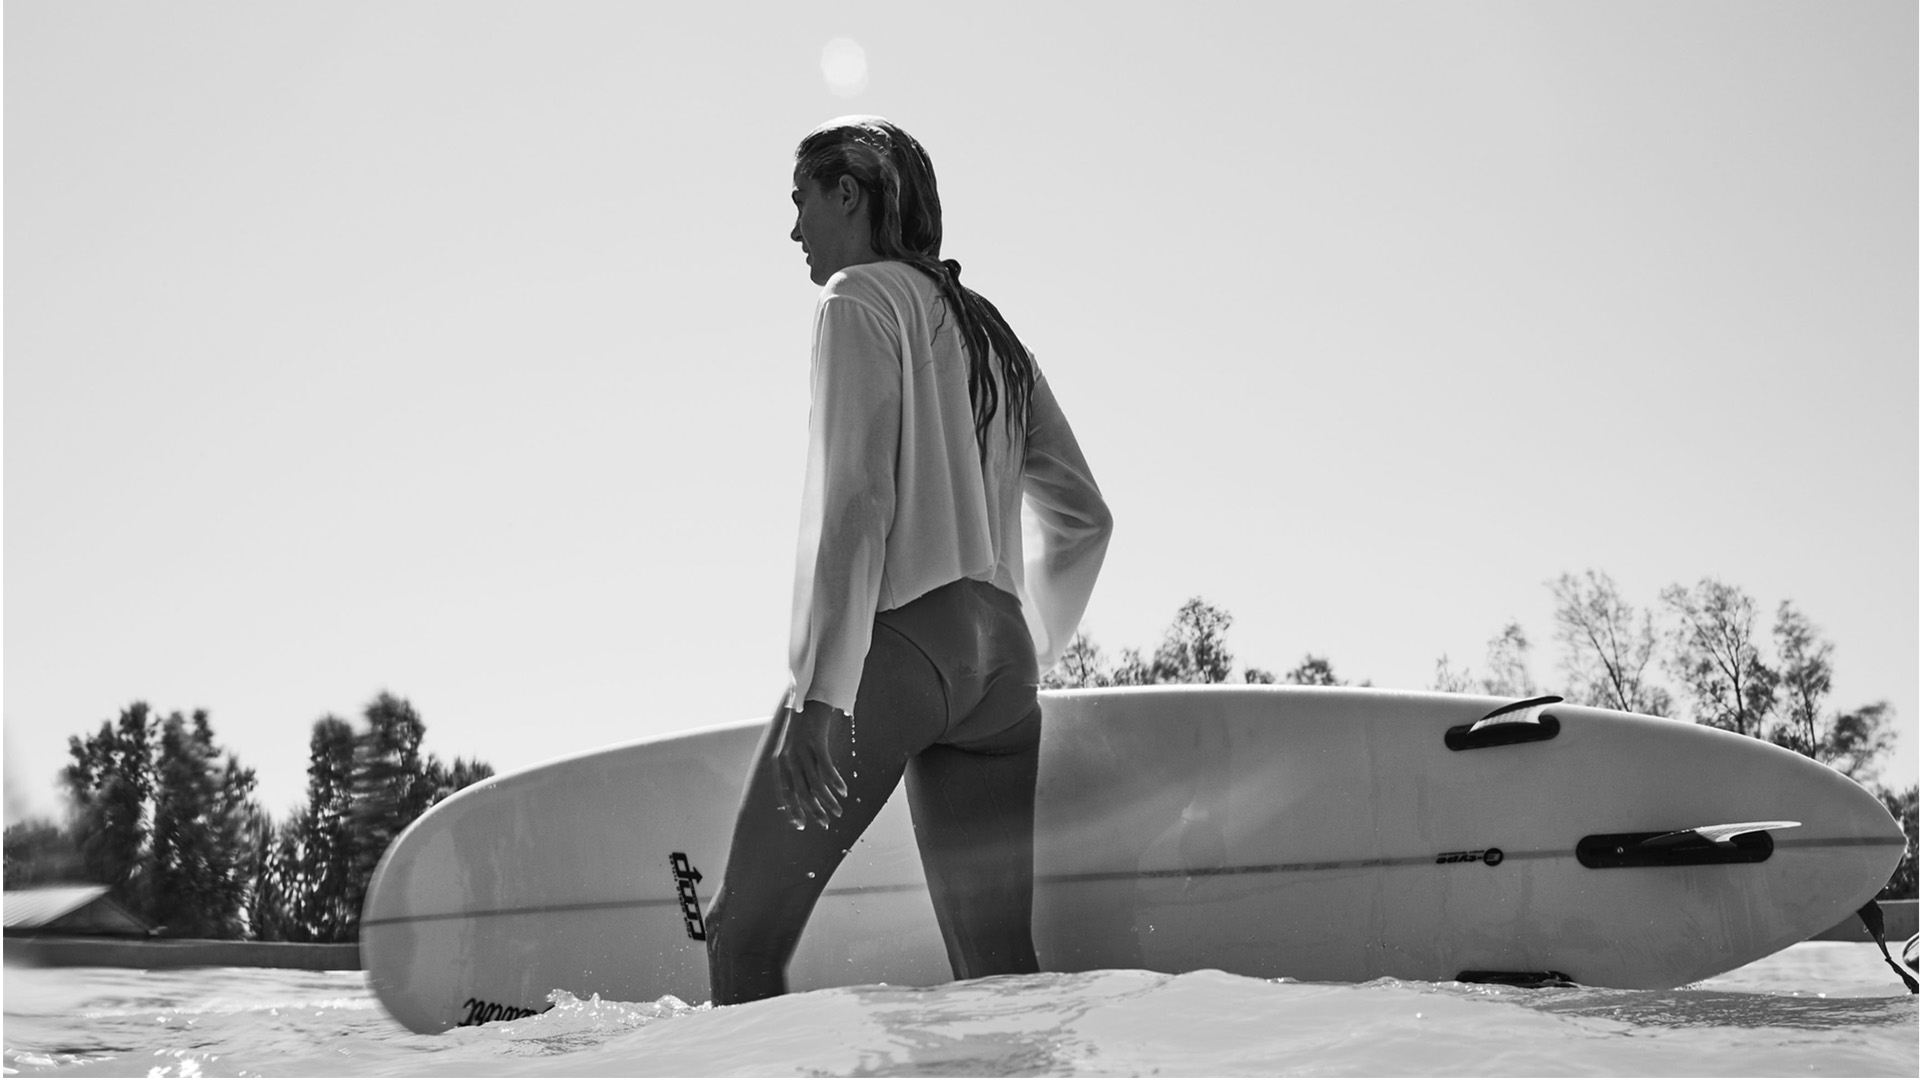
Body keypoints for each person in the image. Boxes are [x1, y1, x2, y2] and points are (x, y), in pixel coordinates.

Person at [703, 116, 1112, 1006]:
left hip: (895, 650)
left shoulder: (857, 297)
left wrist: (822, 690)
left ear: (847, 193)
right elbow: (1086, 518)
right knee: (1000, 972)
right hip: (1001, 673)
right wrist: (1027, 639)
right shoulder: (992, 332)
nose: (794, 229)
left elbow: (858, 500)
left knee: (741, 937)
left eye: (801, 201)